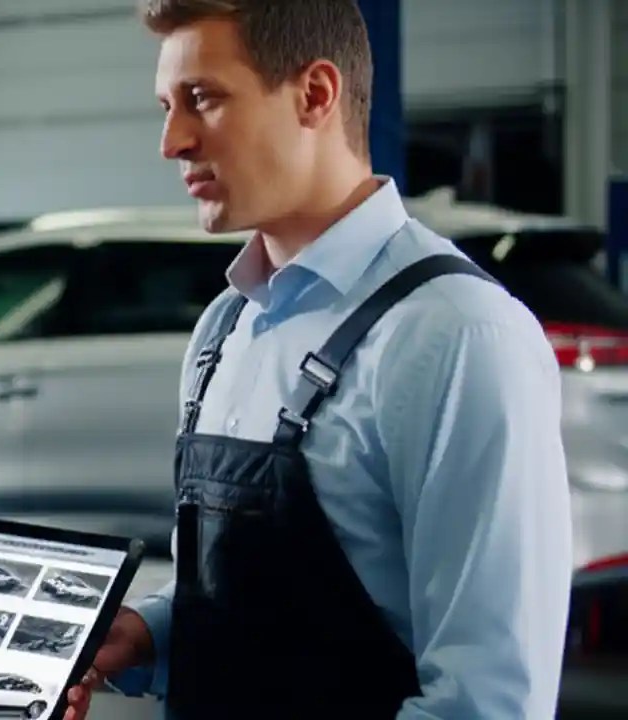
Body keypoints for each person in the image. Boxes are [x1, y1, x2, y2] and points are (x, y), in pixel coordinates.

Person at [64, 1, 572, 718]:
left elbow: (487, 703)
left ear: (315, 94)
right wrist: (150, 631)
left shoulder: (456, 337)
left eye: (202, 99)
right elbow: (265, 607)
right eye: (166, 105)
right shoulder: (226, 326)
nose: (172, 141)